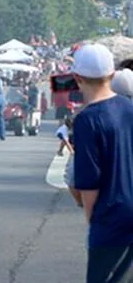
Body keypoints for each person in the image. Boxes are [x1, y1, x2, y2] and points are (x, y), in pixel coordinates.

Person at [70, 44, 133, 282]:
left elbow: (89, 181)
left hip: (110, 215)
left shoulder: (87, 120)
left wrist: (93, 221)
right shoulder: (130, 108)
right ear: (113, 74)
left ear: (77, 78)